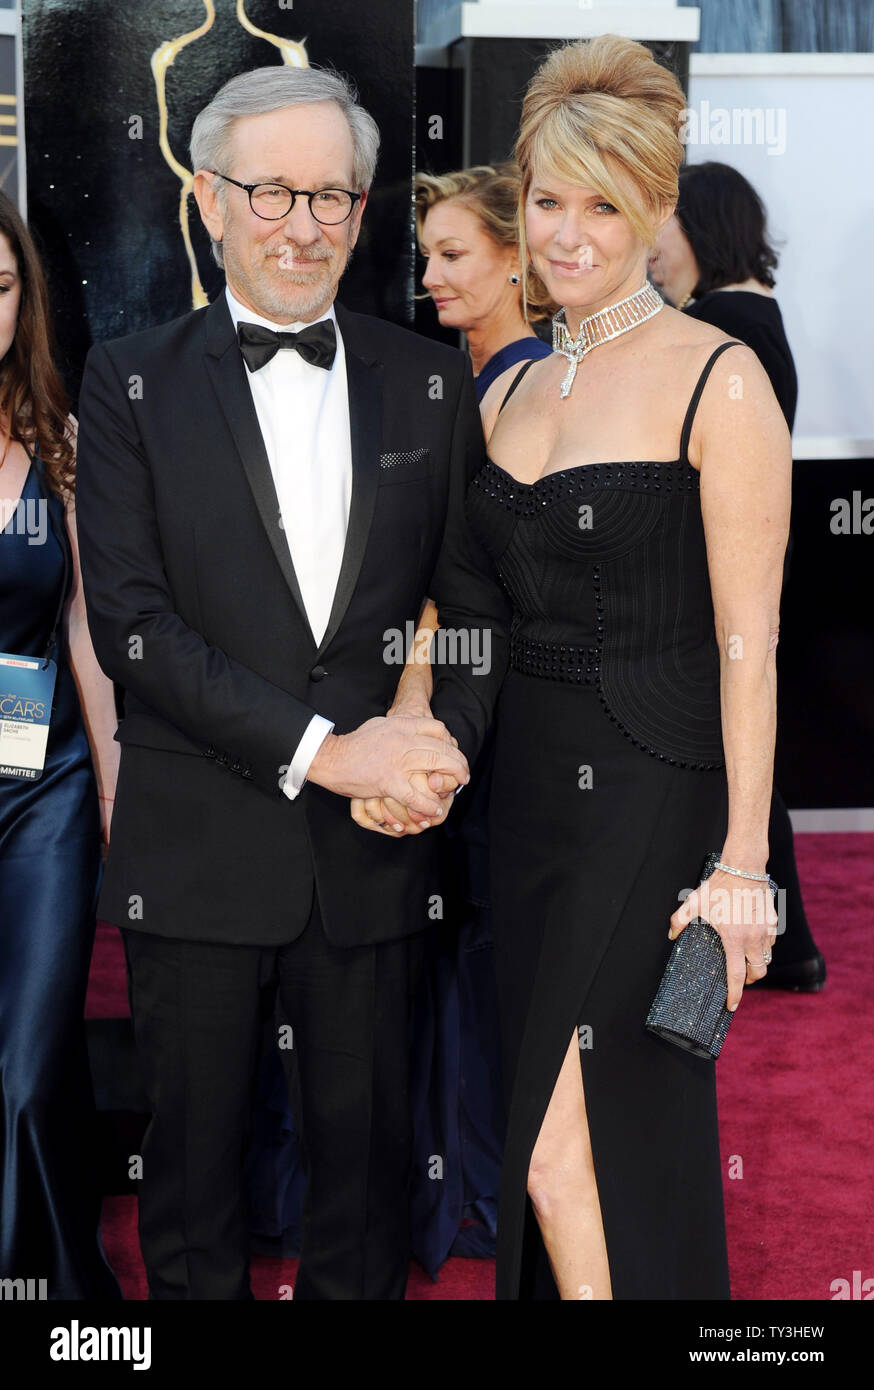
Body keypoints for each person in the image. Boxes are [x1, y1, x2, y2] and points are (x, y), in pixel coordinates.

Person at [355, 34, 790, 1300]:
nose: (570, 234)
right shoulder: (508, 394)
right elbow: (467, 616)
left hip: (653, 794)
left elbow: (748, 643)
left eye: (604, 206)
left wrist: (743, 866)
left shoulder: (720, 378)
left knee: (562, 1150)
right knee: (561, 1140)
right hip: (527, 805)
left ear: (656, 210)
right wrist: (416, 729)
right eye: (549, 201)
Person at [74, 65, 507, 1301]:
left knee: (365, 1193)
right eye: (271, 191)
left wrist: (436, 749)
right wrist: (332, 750)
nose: (302, 225)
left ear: (361, 212)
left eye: (331, 196)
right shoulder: (129, 379)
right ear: (209, 200)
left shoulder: (429, 381)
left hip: (375, 853)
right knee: (192, 1197)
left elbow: (473, 616)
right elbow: (135, 631)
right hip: (197, 849)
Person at [650, 160, 825, 992]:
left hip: (714, 575)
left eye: (660, 221)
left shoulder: (722, 326)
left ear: (699, 225)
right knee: (746, 762)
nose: (648, 244)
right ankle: (788, 945)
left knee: (737, 764)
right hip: (740, 567)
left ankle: (779, 944)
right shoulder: (755, 315)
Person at [0, 190, 120, 1299]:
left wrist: (117, 801)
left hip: (44, 788)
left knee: (30, 1065)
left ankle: (51, 1290)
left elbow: (86, 628)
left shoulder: (55, 440)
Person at [417, 164, 552, 400]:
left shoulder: (538, 382)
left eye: (451, 255)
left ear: (516, 259)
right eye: (427, 257)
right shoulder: (453, 378)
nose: (429, 280)